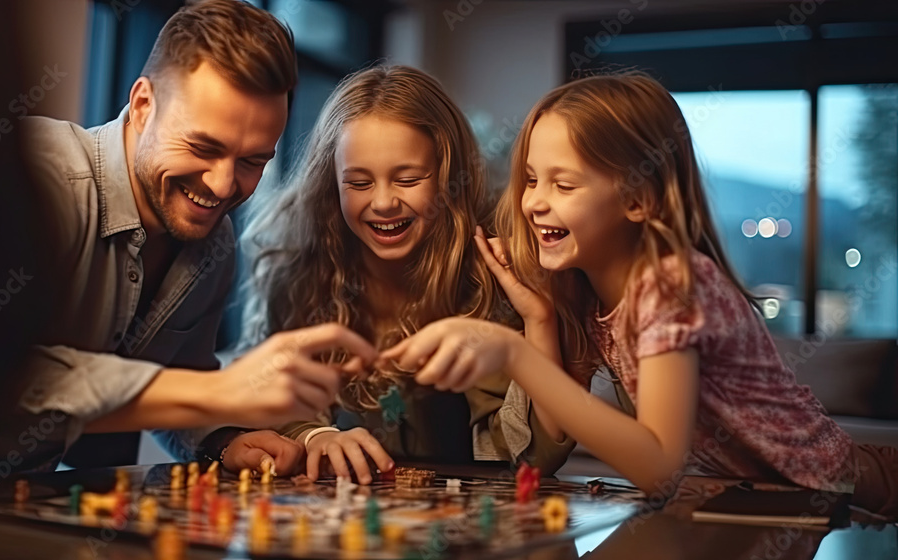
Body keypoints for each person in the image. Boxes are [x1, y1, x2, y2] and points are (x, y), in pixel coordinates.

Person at [380, 71, 898, 516]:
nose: (534, 202)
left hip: (846, 490)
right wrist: (537, 319)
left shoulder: (669, 282)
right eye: (532, 179)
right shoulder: (582, 291)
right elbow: (548, 442)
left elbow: (658, 466)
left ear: (638, 200)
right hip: (751, 501)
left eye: (564, 185)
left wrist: (513, 353)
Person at [15, 0, 376, 474]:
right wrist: (217, 393)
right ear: (143, 105)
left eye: (252, 161)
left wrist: (224, 442)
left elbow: (175, 390)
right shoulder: (35, 178)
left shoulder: (214, 243)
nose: (223, 186)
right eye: (203, 147)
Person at [229, 65, 575, 484]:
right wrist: (314, 434)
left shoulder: (495, 276)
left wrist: (540, 323)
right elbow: (266, 405)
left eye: (408, 179)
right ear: (331, 185)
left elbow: (535, 457)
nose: (384, 202)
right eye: (358, 183)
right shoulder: (301, 273)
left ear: (448, 176)